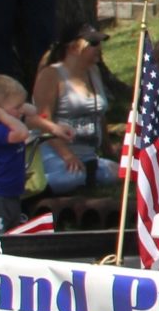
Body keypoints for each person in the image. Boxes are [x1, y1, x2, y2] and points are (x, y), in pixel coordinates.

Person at [28, 26, 112, 195]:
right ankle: (32, 191)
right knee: (72, 178)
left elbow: (99, 116)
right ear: (74, 48)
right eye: (93, 43)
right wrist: (67, 155)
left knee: (120, 173)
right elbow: (43, 121)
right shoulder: (51, 74)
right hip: (54, 151)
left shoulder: (93, 71)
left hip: (87, 153)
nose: (99, 48)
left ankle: (89, 174)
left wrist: (109, 150)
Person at [0, 74, 47, 232]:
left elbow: (33, 110)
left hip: (11, 192)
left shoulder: (8, 122)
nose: (22, 110)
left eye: (22, 105)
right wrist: (2, 115)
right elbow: (22, 133)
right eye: (17, 107)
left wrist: (16, 107)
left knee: (11, 234)